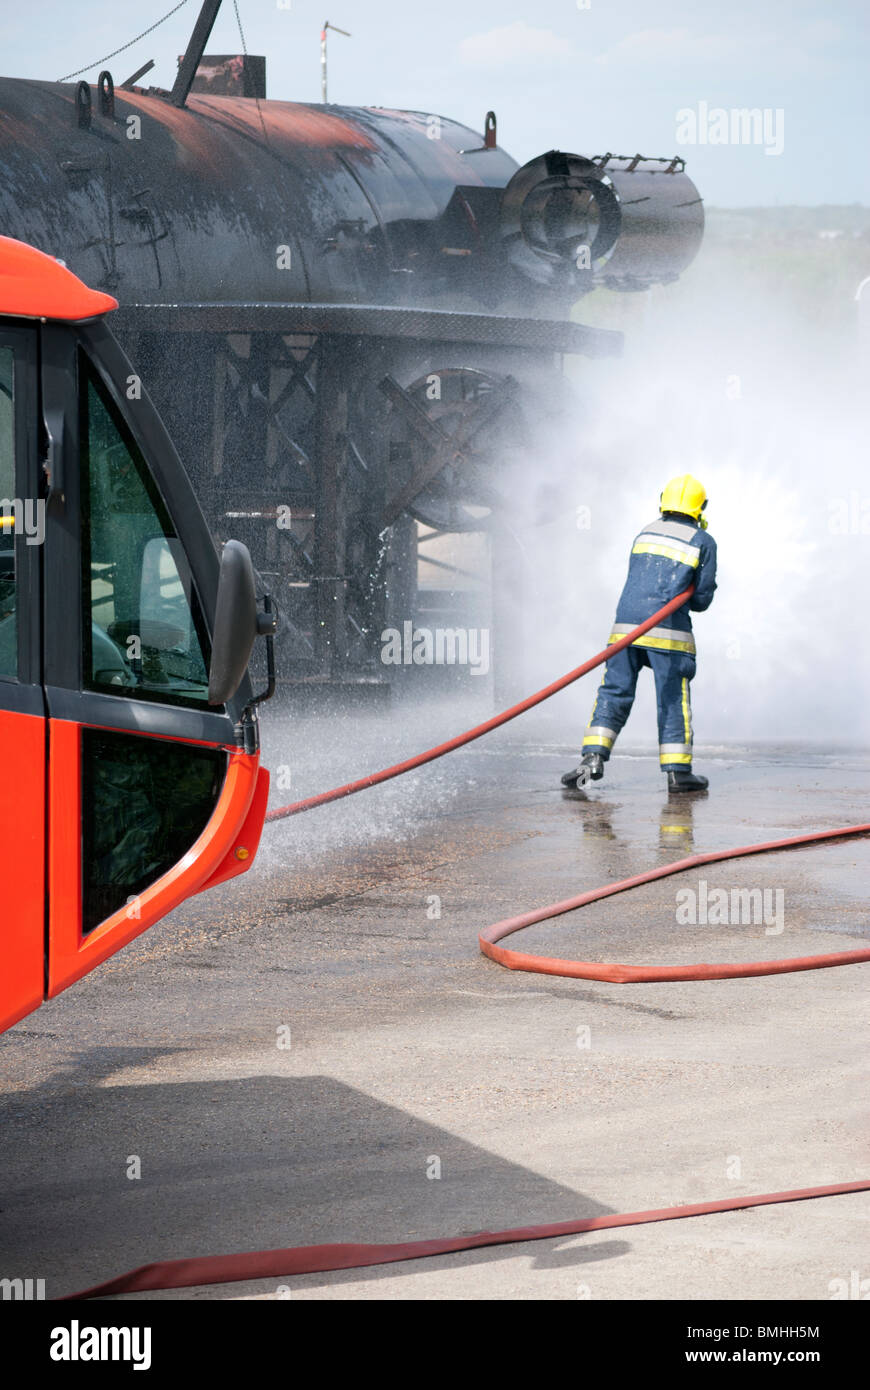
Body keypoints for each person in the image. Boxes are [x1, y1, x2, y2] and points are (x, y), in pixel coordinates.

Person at [562, 474, 717, 793]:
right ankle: (678, 773)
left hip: (625, 629)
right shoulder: (703, 541)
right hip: (669, 634)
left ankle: (591, 759)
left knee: (613, 691)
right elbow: (701, 599)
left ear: (664, 501)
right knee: (672, 697)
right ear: (700, 508)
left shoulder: (644, 532)